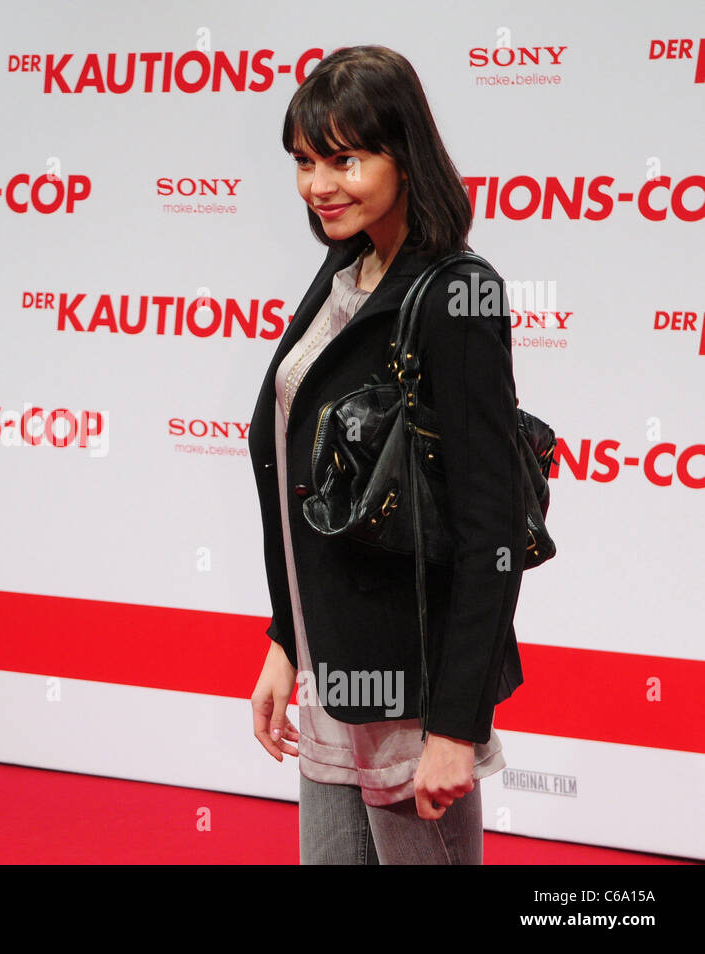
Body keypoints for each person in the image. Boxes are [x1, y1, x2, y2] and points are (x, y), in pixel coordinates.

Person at [247, 46, 527, 864]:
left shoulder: (455, 295)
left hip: (412, 691)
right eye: (304, 161)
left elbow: (490, 527)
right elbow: (295, 467)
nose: (318, 185)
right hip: (334, 671)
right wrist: (283, 639)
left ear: (404, 156)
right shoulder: (347, 264)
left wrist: (454, 726)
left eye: (345, 158)